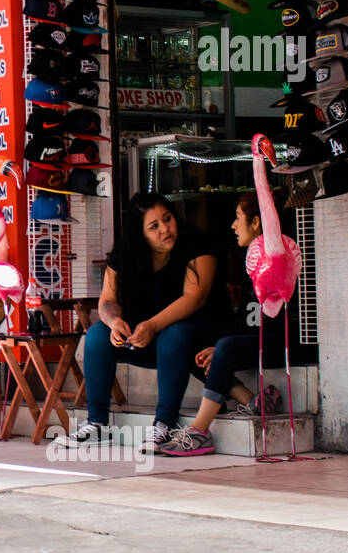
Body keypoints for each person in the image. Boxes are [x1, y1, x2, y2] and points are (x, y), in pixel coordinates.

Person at [55, 193, 233, 454]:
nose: (165, 229)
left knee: (174, 333)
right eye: (154, 226)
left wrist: (152, 325)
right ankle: (97, 423)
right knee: (96, 334)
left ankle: (164, 422)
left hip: (199, 337)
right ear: (140, 233)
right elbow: (107, 301)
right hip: (149, 338)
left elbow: (195, 298)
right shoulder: (126, 252)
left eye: (168, 219)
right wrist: (114, 321)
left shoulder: (195, 242)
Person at [161, 193, 287, 457]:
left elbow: (274, 323)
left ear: (255, 222)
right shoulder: (251, 258)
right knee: (193, 347)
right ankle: (252, 400)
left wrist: (222, 349)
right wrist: (215, 349)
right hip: (256, 339)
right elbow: (248, 320)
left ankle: (199, 431)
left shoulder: (279, 258)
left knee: (223, 348)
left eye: (238, 218)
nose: (232, 225)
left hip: (283, 342)